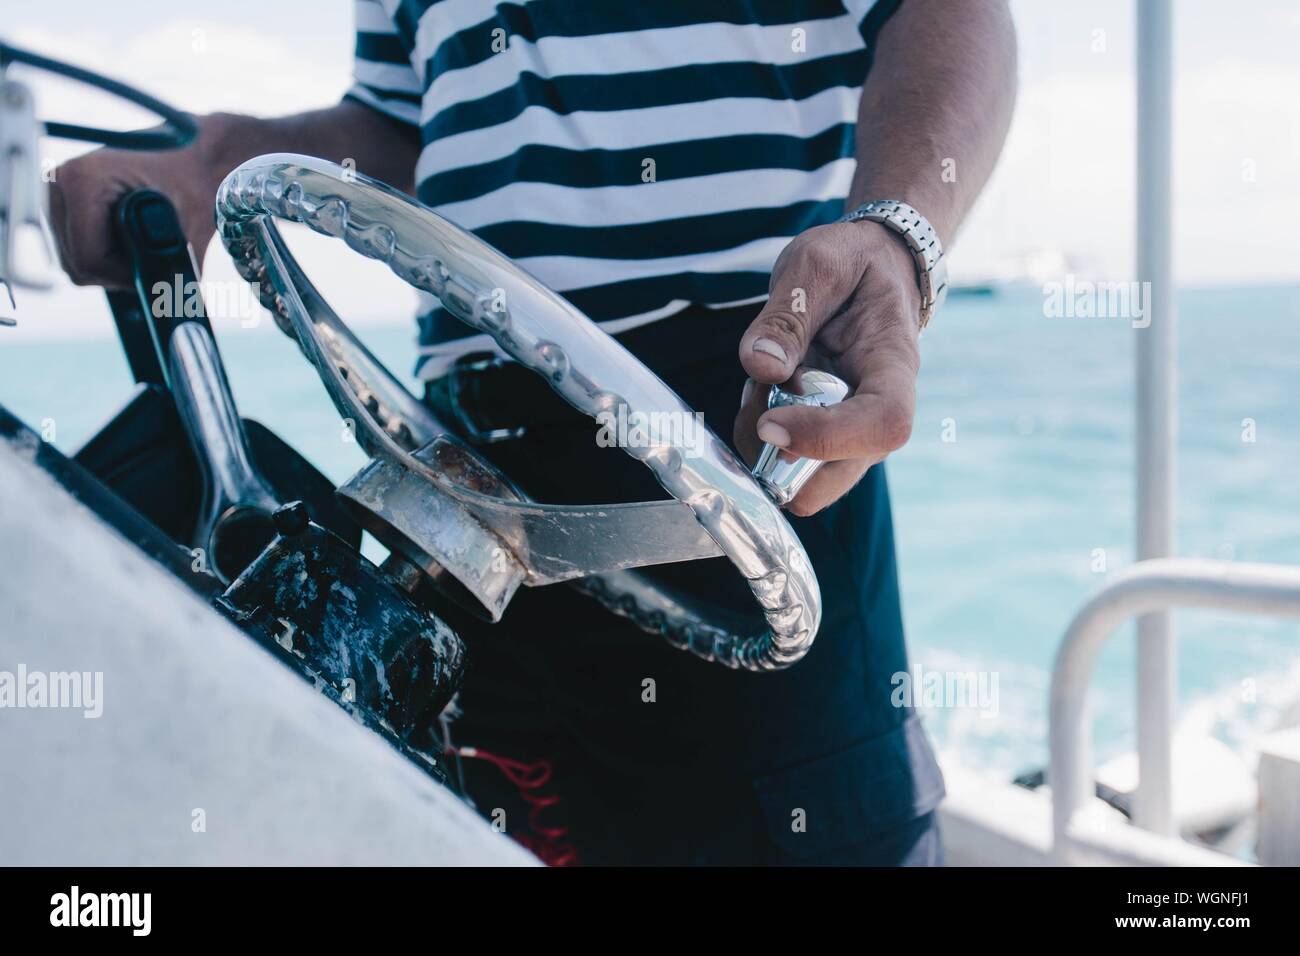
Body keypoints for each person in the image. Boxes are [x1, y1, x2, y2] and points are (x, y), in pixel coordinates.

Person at [50, 0, 1016, 865]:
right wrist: (218, 157)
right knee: (485, 814)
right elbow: (413, 121)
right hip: (459, 462)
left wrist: (895, 239)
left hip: (742, 427)